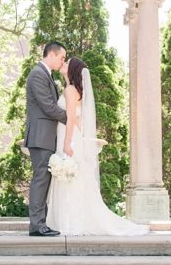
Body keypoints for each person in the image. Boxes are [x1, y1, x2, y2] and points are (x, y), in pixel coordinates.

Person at [46, 56, 149, 236]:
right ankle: (73, 219)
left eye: (67, 63)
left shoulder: (70, 90)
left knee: (69, 178)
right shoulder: (74, 90)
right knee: (74, 178)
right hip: (71, 136)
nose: (63, 63)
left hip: (68, 137)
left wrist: (66, 143)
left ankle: (70, 221)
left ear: (73, 70)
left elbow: (70, 119)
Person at [23, 41, 68, 236]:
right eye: (61, 57)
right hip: (40, 136)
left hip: (46, 136)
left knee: (44, 179)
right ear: (51, 54)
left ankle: (42, 222)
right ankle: (37, 225)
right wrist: (72, 119)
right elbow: (48, 106)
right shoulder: (37, 74)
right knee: (41, 179)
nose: (62, 61)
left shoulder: (45, 75)